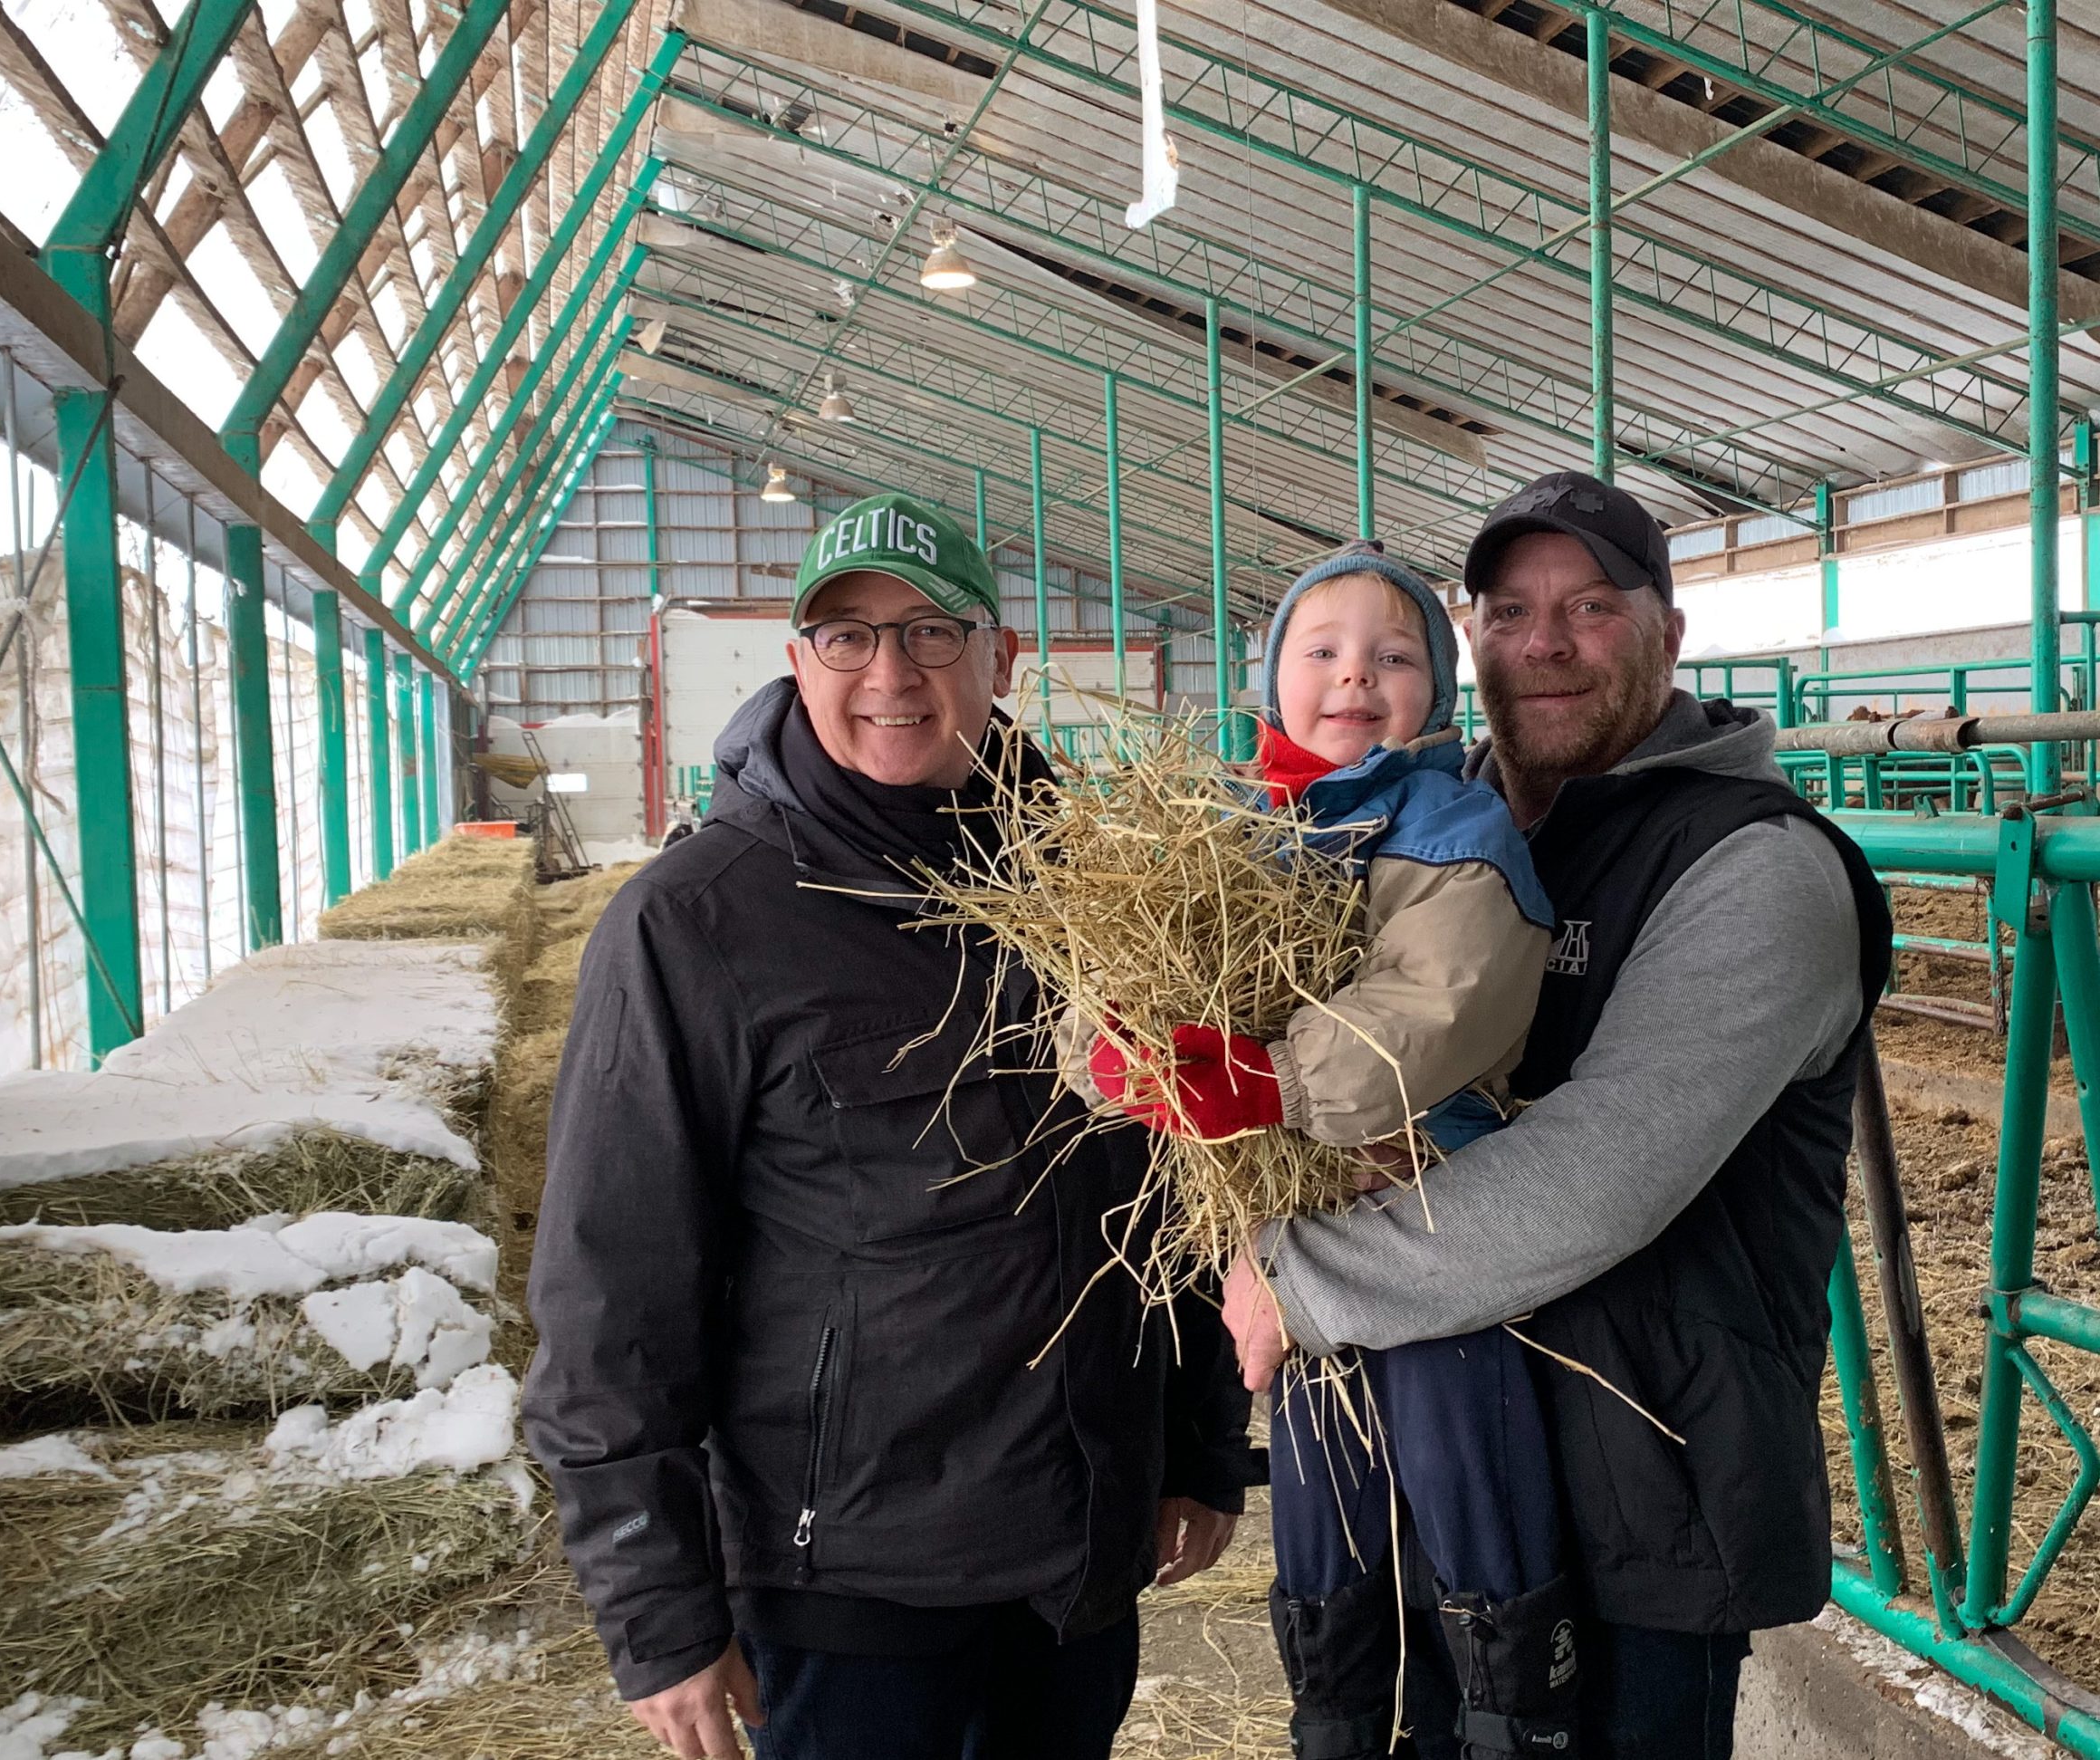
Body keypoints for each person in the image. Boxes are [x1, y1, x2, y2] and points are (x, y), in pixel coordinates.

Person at [523, 490, 1258, 1760]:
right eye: (848, 636)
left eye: (931, 633)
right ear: (798, 662)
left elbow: (1168, 1185)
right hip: (850, 1587)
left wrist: (1195, 1446)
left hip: (1078, 1560)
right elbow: (611, 1288)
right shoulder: (698, 921)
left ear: (1002, 658)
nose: (891, 674)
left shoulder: (1103, 880)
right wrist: (658, 1612)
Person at [1220, 472, 1892, 1759]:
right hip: (1428, 1476)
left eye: (1592, 606)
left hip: (1642, 1502)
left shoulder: (1754, 866)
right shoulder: (1422, 832)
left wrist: (1303, 1280)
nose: (1547, 641)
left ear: (1669, 635)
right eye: (1511, 610)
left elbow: (1604, 1170)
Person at [1080, 543, 1576, 1758]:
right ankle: (1339, 1721)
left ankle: (1513, 1720)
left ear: (1438, 693)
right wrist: (1125, 1049)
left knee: (1468, 1496)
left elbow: (1437, 1008)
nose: (1356, 676)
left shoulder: (1456, 828)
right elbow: (1154, 968)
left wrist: (1270, 1080)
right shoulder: (1239, 826)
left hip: (1433, 1213)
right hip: (1299, 1233)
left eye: (1394, 655)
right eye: (1323, 651)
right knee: (1322, 1509)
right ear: (1271, 680)